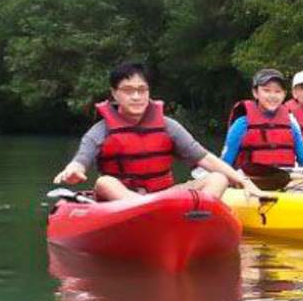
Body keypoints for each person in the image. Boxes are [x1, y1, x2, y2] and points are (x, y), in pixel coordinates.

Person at [53, 62, 262, 201]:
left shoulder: (168, 126)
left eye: (142, 90)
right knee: (104, 182)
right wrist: (73, 169)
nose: (136, 96)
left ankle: (198, 218)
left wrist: (242, 181)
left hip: (164, 197)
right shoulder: (101, 130)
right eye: (128, 90)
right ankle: (147, 208)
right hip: (122, 202)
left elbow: (204, 157)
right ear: (114, 94)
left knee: (218, 178)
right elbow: (81, 159)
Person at [221, 69, 303, 185]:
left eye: (278, 91)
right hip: (250, 183)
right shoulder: (241, 124)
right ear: (255, 93)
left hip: (285, 182)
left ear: (284, 94)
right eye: (266, 90)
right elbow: (225, 163)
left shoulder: (290, 126)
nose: (272, 96)